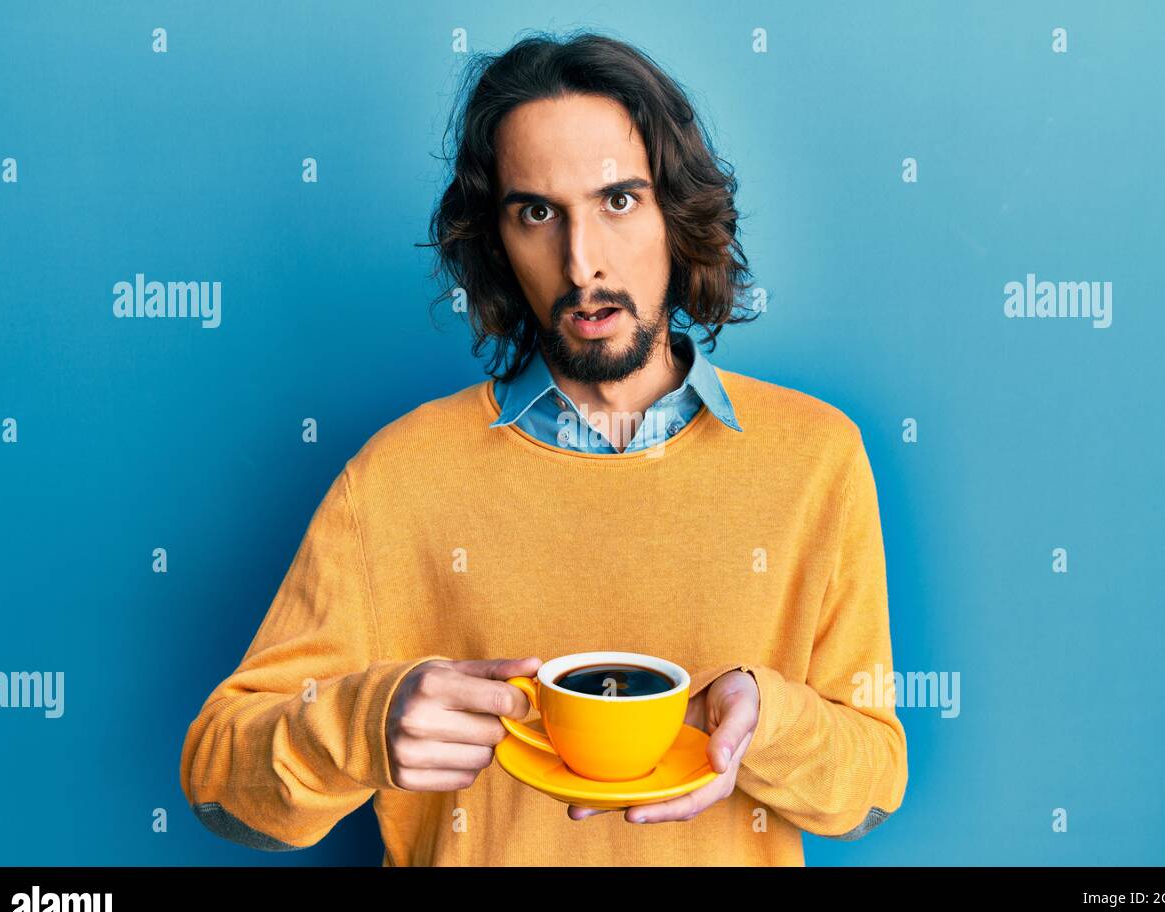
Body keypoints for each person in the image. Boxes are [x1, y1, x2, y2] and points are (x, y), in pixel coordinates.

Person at [179, 30, 907, 866]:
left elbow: (873, 787)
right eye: (537, 212)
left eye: (619, 201)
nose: (582, 261)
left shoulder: (817, 458)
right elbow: (216, 787)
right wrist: (362, 725)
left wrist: (767, 720)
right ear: (497, 242)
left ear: (677, 214)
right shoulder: (395, 477)